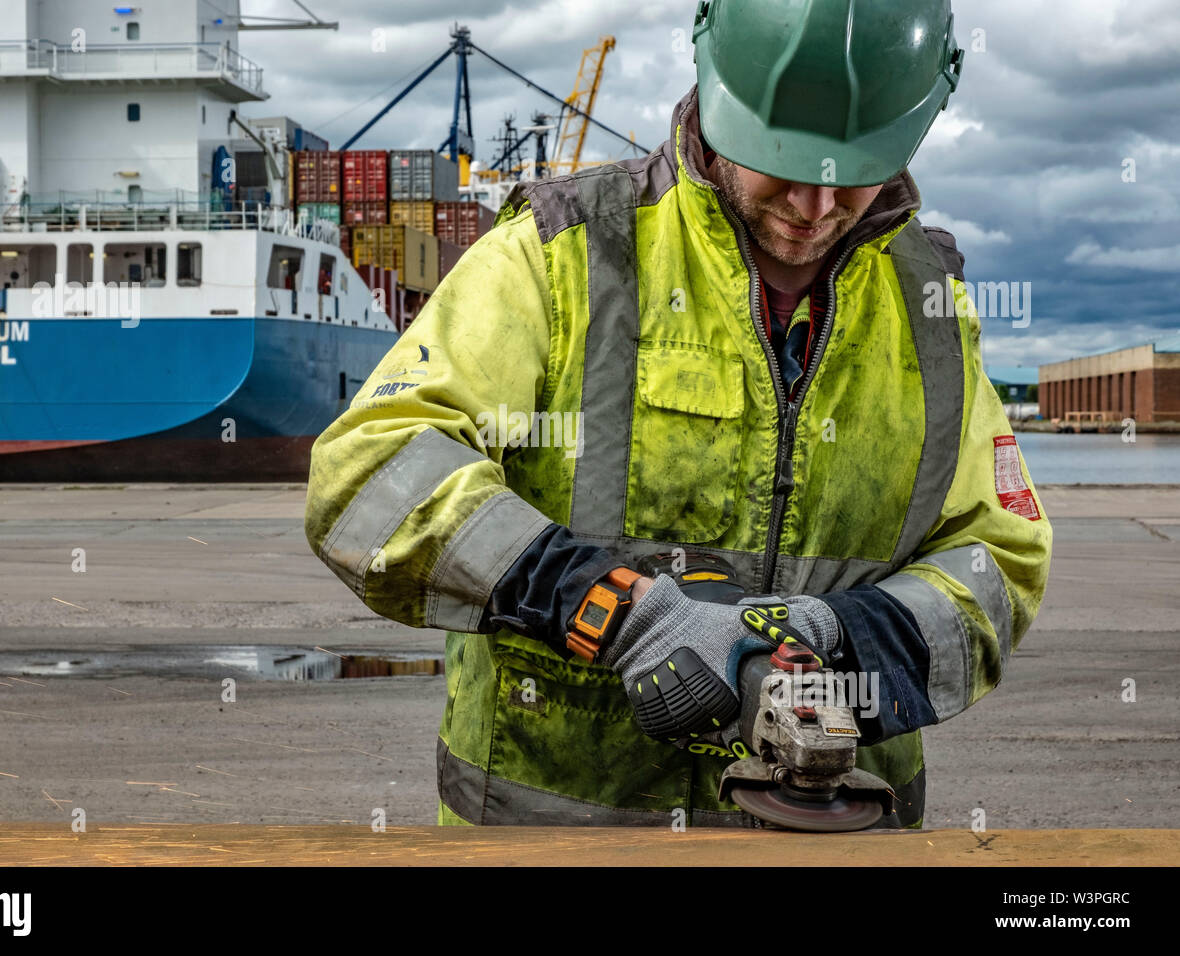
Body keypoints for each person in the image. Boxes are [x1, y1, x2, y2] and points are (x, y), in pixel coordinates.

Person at [304, 0, 1052, 827]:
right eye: (783, 163)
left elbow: (999, 557)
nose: (812, 205)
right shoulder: (564, 252)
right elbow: (371, 469)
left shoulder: (929, 304)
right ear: (711, 83)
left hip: (836, 833)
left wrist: (837, 638)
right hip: (556, 839)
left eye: (849, 171)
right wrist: (612, 607)